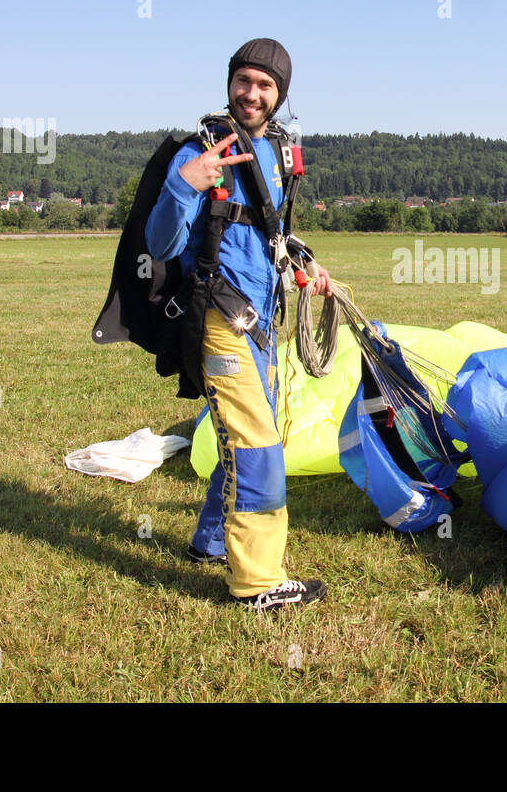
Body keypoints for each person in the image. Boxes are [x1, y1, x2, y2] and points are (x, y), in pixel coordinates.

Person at [145, 37, 332, 611]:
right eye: (244, 81)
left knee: (243, 437)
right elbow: (160, 243)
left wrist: (305, 262)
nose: (252, 94)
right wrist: (187, 185)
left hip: (262, 322)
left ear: (280, 96)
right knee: (256, 445)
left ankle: (208, 542)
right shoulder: (200, 152)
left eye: (265, 85)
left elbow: (266, 232)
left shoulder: (275, 151)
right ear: (230, 83)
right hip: (220, 318)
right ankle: (257, 582)